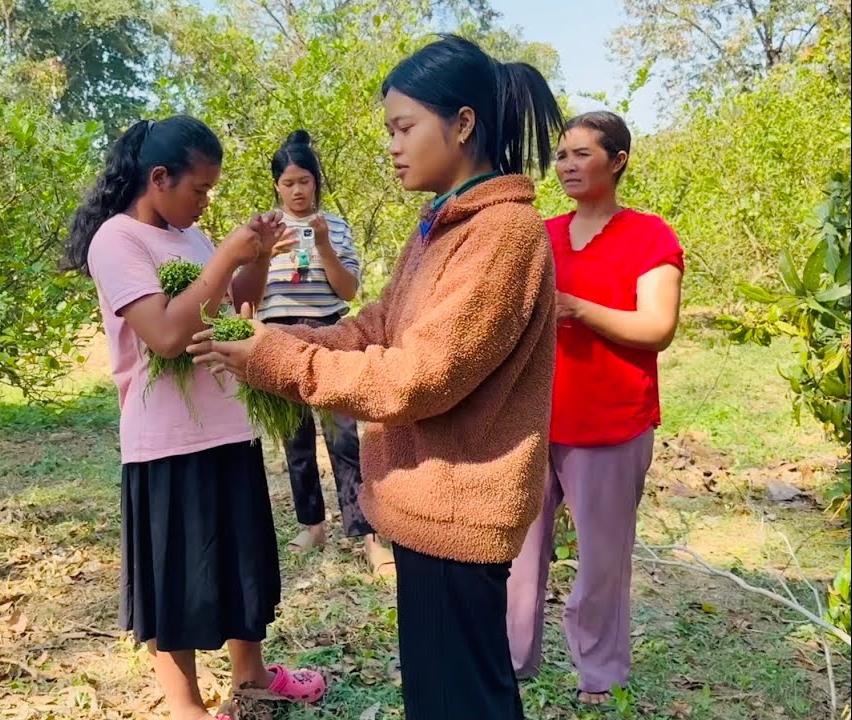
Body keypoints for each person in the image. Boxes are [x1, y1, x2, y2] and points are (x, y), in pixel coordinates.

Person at [188, 35, 562, 719]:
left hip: (461, 506)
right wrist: (275, 339)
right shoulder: (440, 228)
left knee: (464, 699)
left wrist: (278, 361)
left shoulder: (503, 234)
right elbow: (374, 327)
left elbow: (420, 376)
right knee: (439, 691)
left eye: (403, 127)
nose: (392, 145)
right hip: (429, 504)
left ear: (464, 123)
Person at [61, 115, 325, 720]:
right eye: (198, 189)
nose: (205, 203)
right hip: (165, 439)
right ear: (158, 178)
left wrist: (254, 256)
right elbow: (165, 334)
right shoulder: (118, 240)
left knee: (240, 561)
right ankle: (186, 708)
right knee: (175, 578)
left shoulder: (193, 239)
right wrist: (226, 255)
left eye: (210, 191)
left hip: (227, 424)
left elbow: (235, 307)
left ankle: (252, 677)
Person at [506, 111, 684, 706]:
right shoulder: (541, 234)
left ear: (619, 160)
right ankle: (511, 659)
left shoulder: (649, 235)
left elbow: (657, 326)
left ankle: (600, 674)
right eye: (561, 155)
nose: (568, 165)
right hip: (534, 420)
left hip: (610, 424)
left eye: (582, 153)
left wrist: (578, 309)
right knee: (517, 551)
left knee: (602, 561)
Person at [233, 129, 393, 573]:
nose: (297, 190)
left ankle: (366, 534)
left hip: (331, 336)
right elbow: (248, 295)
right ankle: (312, 524)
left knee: (343, 436)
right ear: (276, 187)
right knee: (295, 438)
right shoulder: (263, 229)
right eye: (288, 183)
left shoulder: (335, 227)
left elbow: (348, 288)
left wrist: (323, 246)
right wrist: (264, 254)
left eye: (304, 181)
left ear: (316, 182)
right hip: (278, 338)